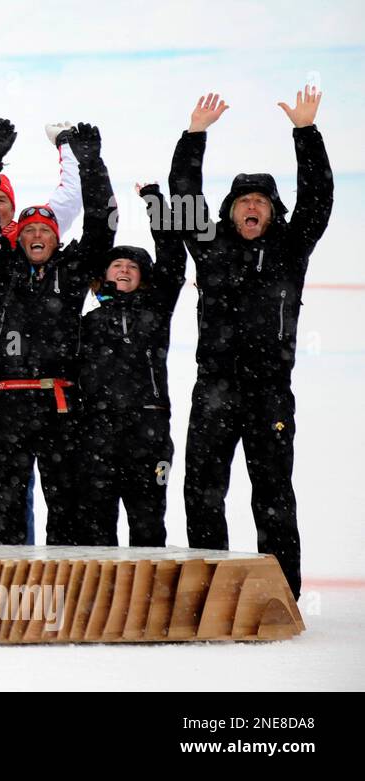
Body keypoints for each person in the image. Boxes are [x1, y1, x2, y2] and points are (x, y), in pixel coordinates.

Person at [172, 88, 331, 599]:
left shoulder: (291, 247)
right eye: (245, 200)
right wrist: (193, 136)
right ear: (231, 209)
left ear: (272, 211)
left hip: (269, 393)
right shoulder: (211, 246)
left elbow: (318, 199)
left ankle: (280, 592)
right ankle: (209, 588)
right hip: (214, 389)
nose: (253, 207)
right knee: (202, 491)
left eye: (261, 201)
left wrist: (305, 133)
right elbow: (183, 197)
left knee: (274, 495)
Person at [0, 119, 116, 545]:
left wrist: (92, 165)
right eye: (28, 230)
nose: (35, 235)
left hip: (59, 401)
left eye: (43, 231)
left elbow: (103, 227)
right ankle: (5, 590)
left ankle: (66, 588)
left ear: (55, 239)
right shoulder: (1, 270)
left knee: (65, 498)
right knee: (6, 499)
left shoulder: (70, 273)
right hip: (8, 400)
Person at [77, 183, 187, 546]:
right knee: (96, 525)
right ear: (104, 276)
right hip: (98, 431)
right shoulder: (88, 322)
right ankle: (103, 601)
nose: (123, 270)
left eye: (132, 266)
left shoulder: (156, 310)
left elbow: (172, 258)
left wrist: (155, 203)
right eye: (116, 264)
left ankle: (152, 600)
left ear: (143, 277)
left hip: (149, 428)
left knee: (149, 523)